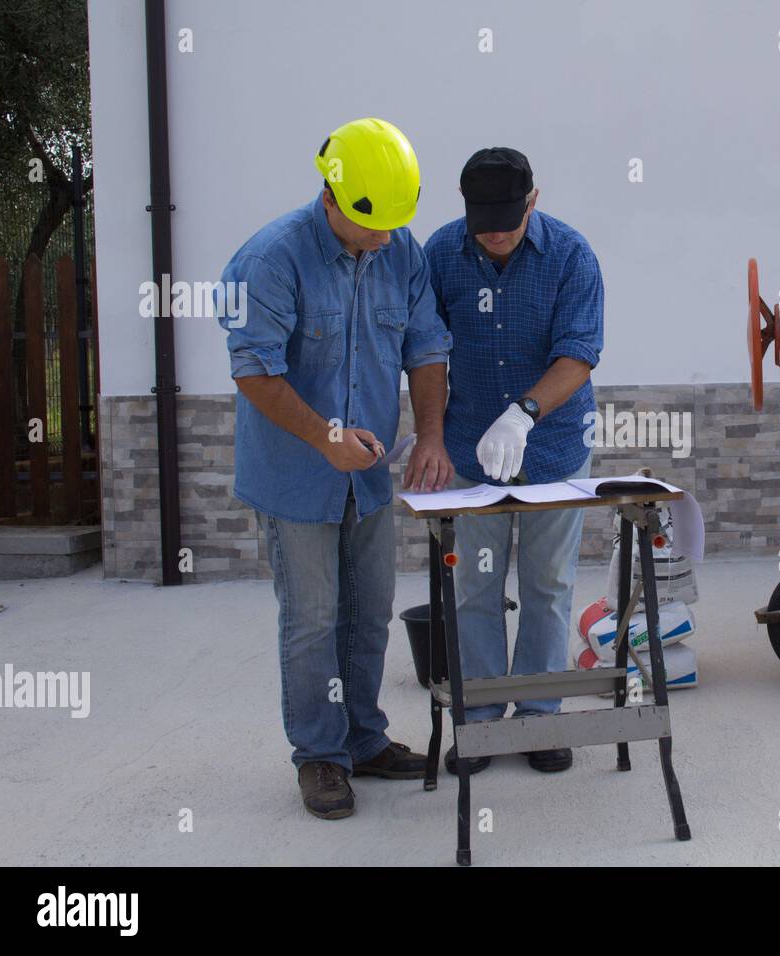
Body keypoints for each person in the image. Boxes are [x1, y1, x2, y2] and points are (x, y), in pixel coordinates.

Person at [218, 118, 453, 819]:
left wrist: (433, 433)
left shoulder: (400, 249)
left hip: (369, 480)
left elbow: (427, 344)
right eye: (372, 225)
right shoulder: (273, 258)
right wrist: (325, 438)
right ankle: (320, 757)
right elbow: (255, 370)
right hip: (297, 479)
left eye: (395, 226)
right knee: (313, 619)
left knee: (369, 614)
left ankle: (364, 738)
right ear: (333, 198)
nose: (386, 239)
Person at [424, 147, 604, 774]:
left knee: (547, 586)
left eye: (508, 216)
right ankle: (478, 720)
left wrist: (523, 413)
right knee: (473, 584)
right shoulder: (442, 252)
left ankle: (537, 718)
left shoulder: (571, 255)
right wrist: (427, 436)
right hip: (470, 447)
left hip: (553, 447)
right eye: (484, 219)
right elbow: (424, 347)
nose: (496, 232)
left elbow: (579, 351)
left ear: (534, 199)